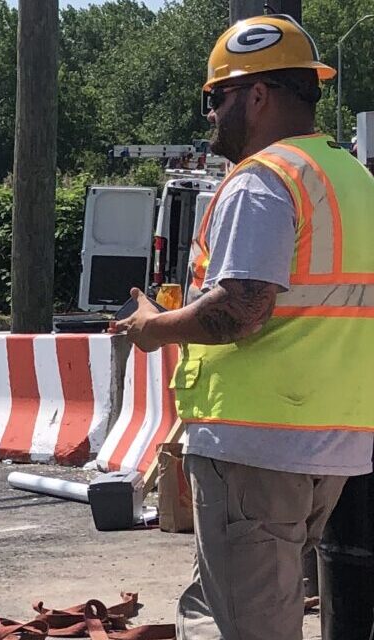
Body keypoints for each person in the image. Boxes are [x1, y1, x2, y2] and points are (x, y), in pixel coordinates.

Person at [113, 14, 374, 640]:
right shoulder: (351, 178)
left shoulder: (262, 181)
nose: (211, 115)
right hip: (330, 441)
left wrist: (156, 326)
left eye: (216, 97)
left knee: (247, 626)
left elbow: (241, 307)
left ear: (258, 95)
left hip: (257, 444)